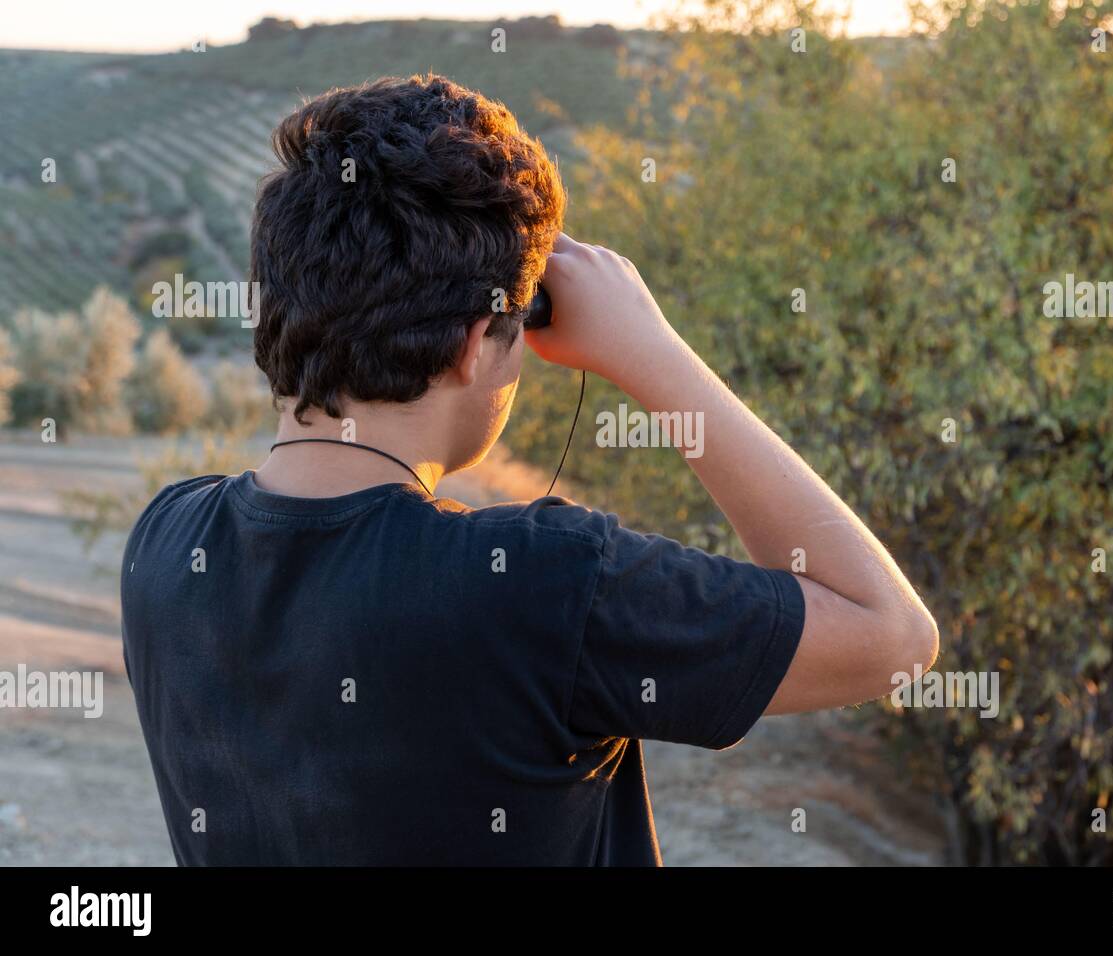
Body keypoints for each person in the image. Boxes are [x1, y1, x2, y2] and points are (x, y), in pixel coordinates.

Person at [121, 74, 938, 865]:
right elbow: (891, 636)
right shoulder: (545, 584)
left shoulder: (161, 547)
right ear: (476, 345)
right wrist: (652, 353)